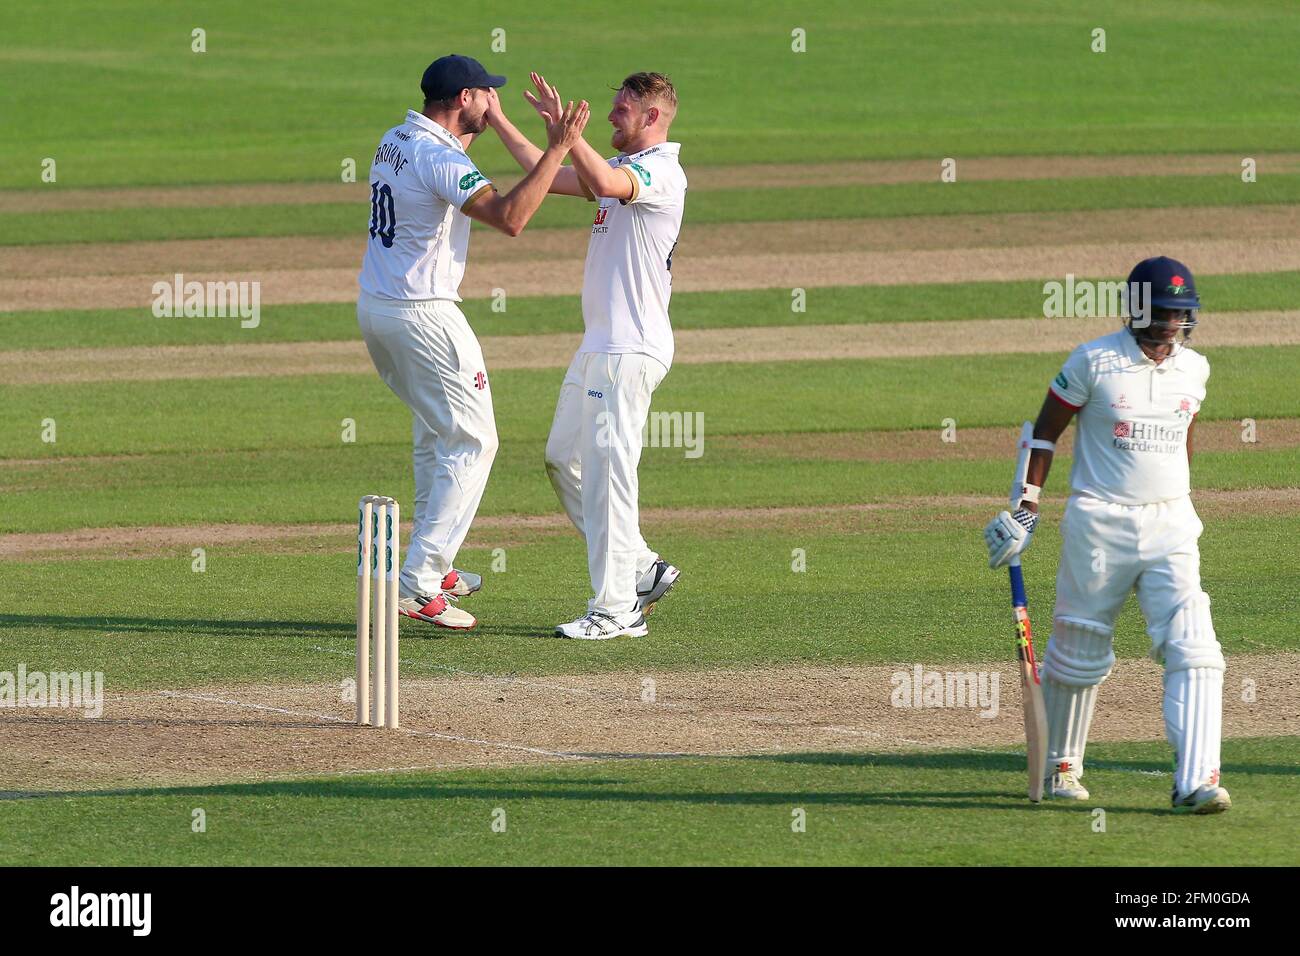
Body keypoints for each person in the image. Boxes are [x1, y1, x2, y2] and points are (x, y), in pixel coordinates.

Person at [983, 256, 1229, 813]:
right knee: (1079, 651)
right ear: (1137, 310)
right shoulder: (1093, 360)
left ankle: (1196, 781)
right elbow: (1044, 433)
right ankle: (1061, 766)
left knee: (1196, 646)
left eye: (1181, 314)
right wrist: (1025, 510)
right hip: (1100, 521)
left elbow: (1183, 434)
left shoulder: (1196, 369)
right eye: (1163, 312)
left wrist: (1182, 499)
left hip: (1172, 523)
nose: (1172, 324)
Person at [357, 54, 589, 630]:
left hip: (378, 307)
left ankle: (431, 565)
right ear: (464, 99)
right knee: (476, 440)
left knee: (437, 432)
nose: (494, 101)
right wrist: (557, 146)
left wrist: (503, 121)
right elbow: (512, 217)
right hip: (424, 315)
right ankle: (420, 580)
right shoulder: (438, 156)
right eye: (488, 93)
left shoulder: (398, 137)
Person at [486, 71, 686, 639]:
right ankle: (641, 568)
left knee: (607, 477)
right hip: (597, 347)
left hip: (628, 350)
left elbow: (599, 174)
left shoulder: (661, 174)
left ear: (651, 117)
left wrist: (569, 137)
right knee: (563, 460)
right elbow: (546, 176)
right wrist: (506, 121)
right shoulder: (621, 174)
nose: (610, 116)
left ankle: (615, 609)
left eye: (621, 110)